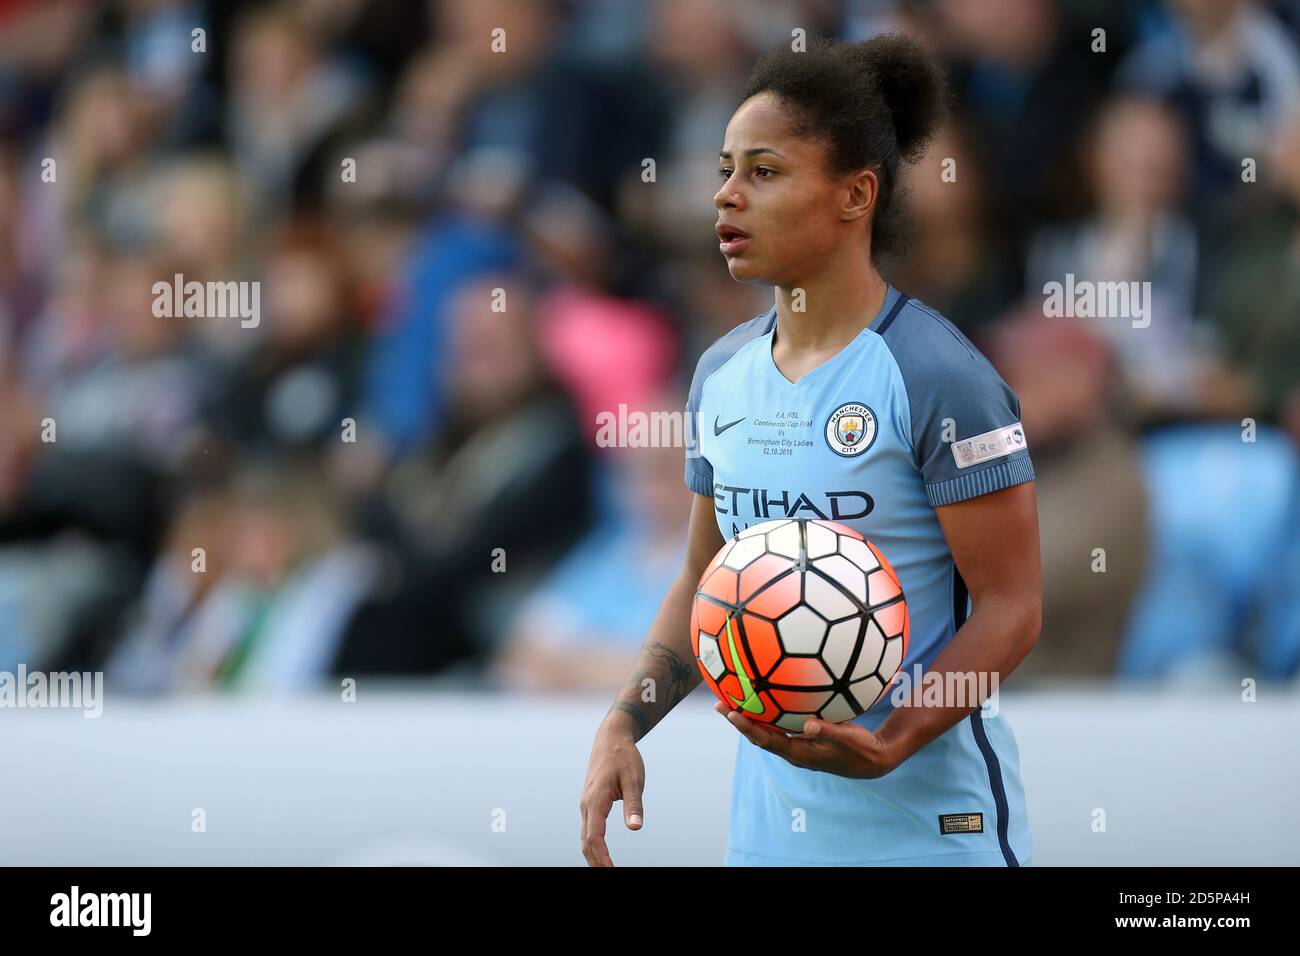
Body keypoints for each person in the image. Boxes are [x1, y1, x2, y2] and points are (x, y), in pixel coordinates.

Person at [580, 33, 1042, 867]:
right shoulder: (721, 374)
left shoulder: (938, 375)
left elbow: (1012, 608)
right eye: (724, 169)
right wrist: (624, 721)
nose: (725, 196)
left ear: (855, 195)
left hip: (932, 837)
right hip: (770, 840)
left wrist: (896, 737)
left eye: (763, 171)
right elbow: (701, 577)